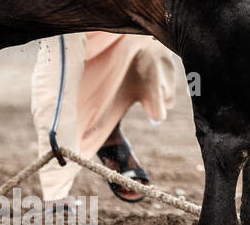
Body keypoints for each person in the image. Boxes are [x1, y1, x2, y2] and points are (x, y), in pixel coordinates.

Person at [31, 33, 181, 205]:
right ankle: (55, 192)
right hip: (65, 20)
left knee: (152, 47)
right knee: (63, 54)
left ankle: (107, 128)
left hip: (109, 20)